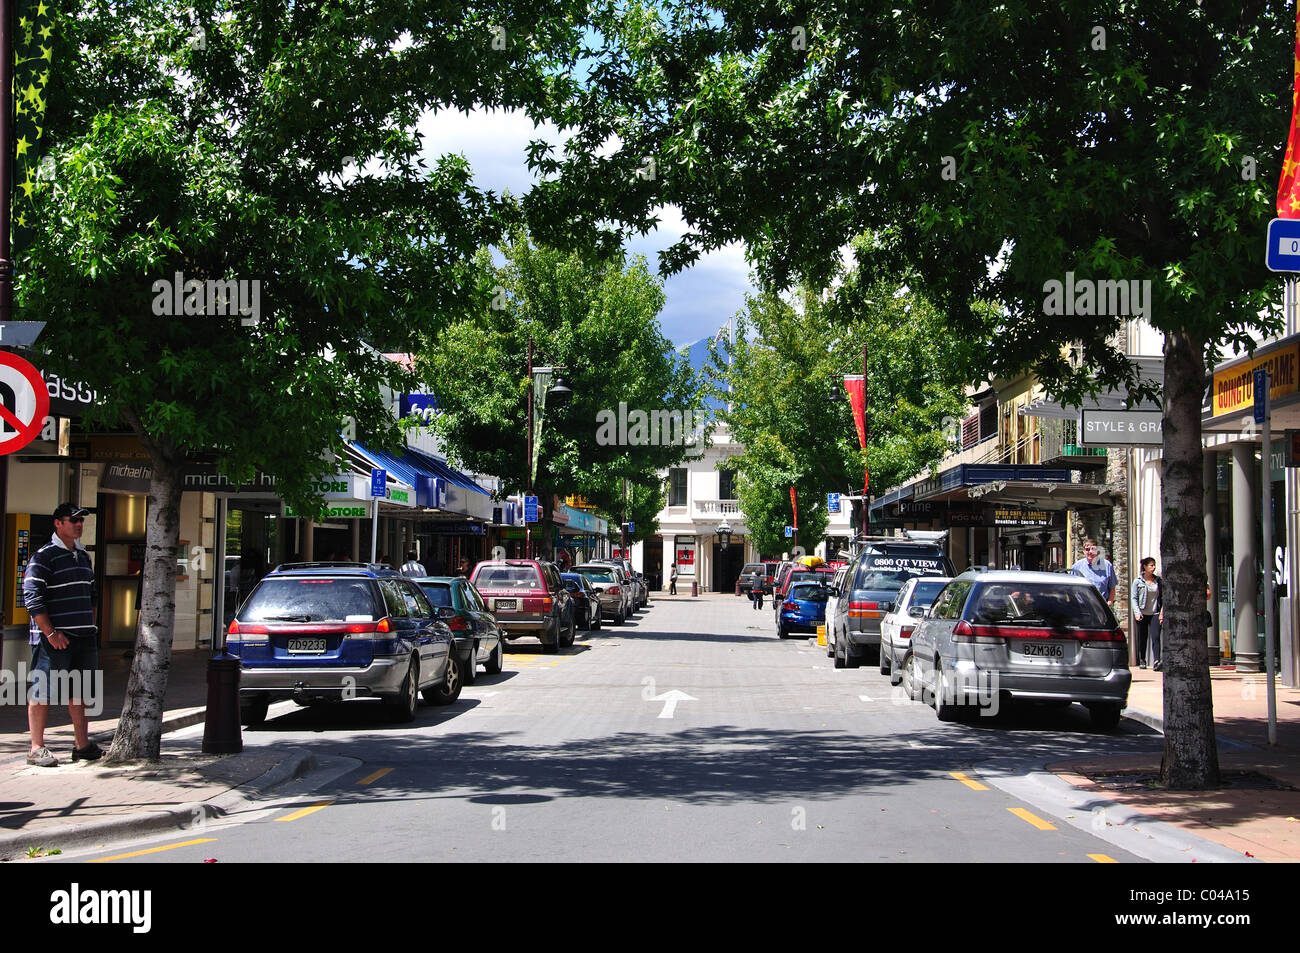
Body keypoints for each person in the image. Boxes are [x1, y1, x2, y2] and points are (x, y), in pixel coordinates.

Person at [24, 504, 100, 767]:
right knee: (42, 691)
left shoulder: (83, 555)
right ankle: (36, 747)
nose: (79, 524)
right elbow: (32, 598)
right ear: (58, 524)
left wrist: (90, 625)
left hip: (82, 636)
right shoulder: (44, 556)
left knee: (80, 692)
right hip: (53, 639)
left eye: (81, 520)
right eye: (73, 520)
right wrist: (51, 632)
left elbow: (91, 595)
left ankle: (82, 745)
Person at [1130, 557, 1164, 670]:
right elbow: (1133, 598)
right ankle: (1142, 659)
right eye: (1151, 565)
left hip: (1155, 612)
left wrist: (1161, 613)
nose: (1153, 567)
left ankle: (1156, 661)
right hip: (1142, 613)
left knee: (1155, 637)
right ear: (1145, 566)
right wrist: (1137, 612)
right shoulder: (1138, 581)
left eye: (1154, 565)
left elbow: (1163, 598)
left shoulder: (1158, 581)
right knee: (1142, 637)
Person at [1070, 538, 1117, 604]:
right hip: (1082, 606)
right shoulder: (1077, 567)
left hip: (1101, 606)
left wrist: (1109, 602)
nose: (1090, 552)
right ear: (1084, 551)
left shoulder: (1107, 565)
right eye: (1087, 549)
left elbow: (1112, 587)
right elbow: (1071, 588)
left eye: (1093, 549)